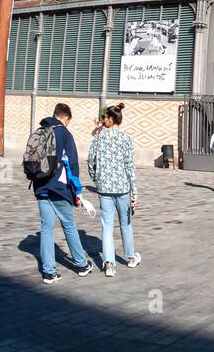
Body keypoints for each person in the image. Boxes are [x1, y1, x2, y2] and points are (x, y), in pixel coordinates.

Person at [31, 102, 94, 284]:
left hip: (40, 186)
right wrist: (77, 191)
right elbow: (71, 165)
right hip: (59, 188)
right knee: (69, 225)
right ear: (66, 118)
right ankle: (81, 264)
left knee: (46, 228)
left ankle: (49, 272)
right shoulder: (65, 134)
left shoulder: (40, 130)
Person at [86, 103, 140, 277]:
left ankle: (109, 264)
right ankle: (131, 257)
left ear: (111, 119)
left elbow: (90, 162)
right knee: (126, 224)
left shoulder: (98, 137)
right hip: (123, 188)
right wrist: (135, 192)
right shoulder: (126, 138)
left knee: (107, 226)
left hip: (104, 188)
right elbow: (130, 166)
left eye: (104, 117)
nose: (102, 120)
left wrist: (97, 178)